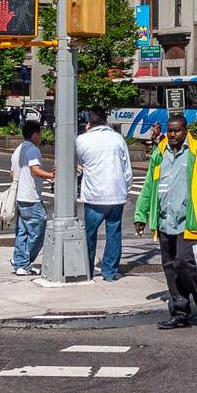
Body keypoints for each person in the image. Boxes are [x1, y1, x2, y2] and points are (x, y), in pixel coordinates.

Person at [134, 113, 197, 330]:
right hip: (165, 220)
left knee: (185, 263)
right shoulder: (159, 153)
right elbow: (148, 186)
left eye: (177, 130)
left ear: (185, 130)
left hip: (189, 221)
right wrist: (141, 214)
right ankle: (180, 312)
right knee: (170, 268)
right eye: (170, 130)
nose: (172, 134)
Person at [76, 107, 132, 281]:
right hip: (116, 194)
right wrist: (125, 187)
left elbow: (78, 163)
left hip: (94, 195)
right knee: (114, 234)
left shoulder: (82, 140)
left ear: (89, 123)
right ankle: (109, 272)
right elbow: (127, 169)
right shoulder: (117, 139)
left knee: (89, 235)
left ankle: (88, 270)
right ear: (106, 121)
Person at [11, 120, 54, 276]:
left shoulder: (18, 150)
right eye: (40, 133)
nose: (41, 136)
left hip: (21, 197)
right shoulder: (33, 150)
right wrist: (51, 175)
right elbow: (35, 170)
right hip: (31, 197)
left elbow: (12, 174)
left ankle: (20, 263)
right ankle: (23, 261)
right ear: (35, 133)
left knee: (22, 232)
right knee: (38, 231)